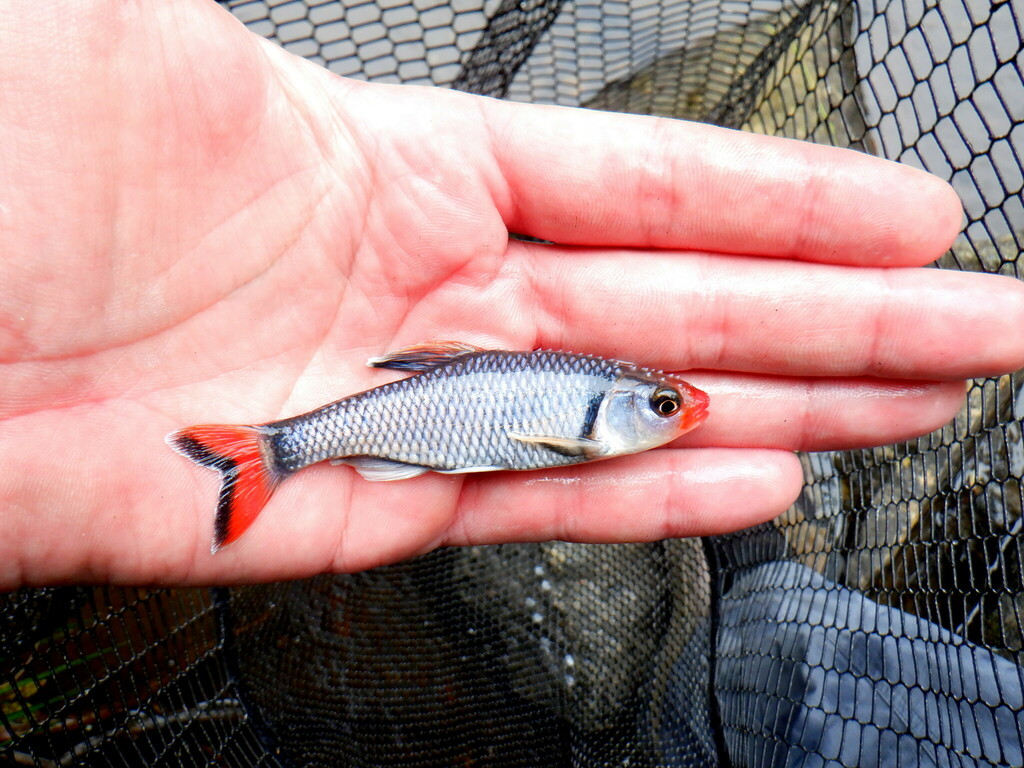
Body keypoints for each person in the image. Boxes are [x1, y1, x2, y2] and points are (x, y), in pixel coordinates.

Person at [1, 0, 1022, 589]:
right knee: (337, 440)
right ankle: (269, 451)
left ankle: (271, 451)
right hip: (407, 418)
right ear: (618, 408)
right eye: (663, 405)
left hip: (425, 416)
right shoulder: (583, 414)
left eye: (666, 403)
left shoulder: (587, 409)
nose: (680, 411)